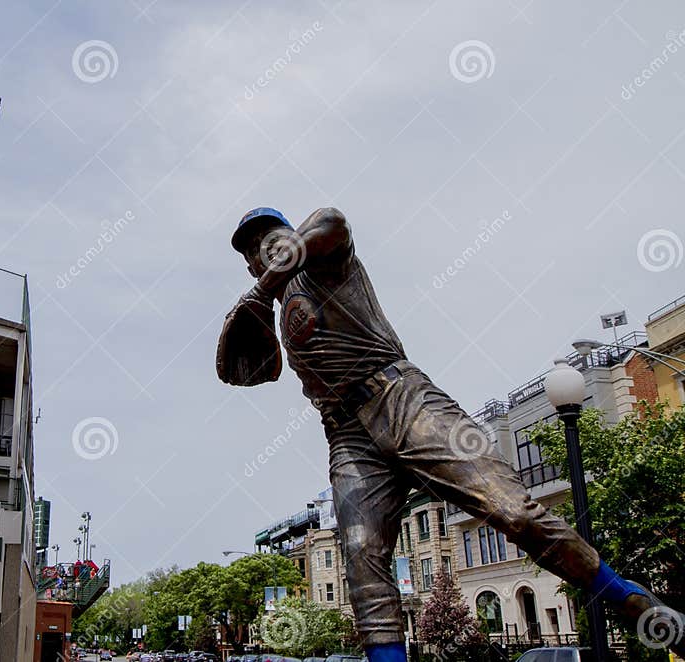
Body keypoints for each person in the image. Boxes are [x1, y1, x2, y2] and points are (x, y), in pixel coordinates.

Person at [221, 206, 685, 662]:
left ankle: (628, 598)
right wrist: (254, 309)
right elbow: (242, 371)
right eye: (254, 252)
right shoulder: (277, 317)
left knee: (513, 513)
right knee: (361, 555)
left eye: (271, 238)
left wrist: (261, 288)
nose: (265, 251)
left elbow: (333, 222)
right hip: (346, 434)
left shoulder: (326, 264)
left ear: (290, 234)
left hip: (401, 397)